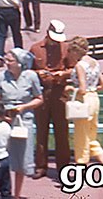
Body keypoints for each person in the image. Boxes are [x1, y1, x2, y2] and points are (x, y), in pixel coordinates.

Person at [0, 48, 43, 197]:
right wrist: (2, 115)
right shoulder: (1, 76)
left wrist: (24, 107)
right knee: (1, 157)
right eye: (6, 60)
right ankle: (3, 192)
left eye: (10, 60)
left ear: (20, 63)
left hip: (24, 119)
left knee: (21, 159)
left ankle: (17, 194)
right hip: (6, 119)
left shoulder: (31, 76)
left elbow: (39, 99)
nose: (7, 63)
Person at [28, 19, 72, 178]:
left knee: (62, 131)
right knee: (41, 130)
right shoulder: (35, 49)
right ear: (47, 33)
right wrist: (37, 74)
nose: (55, 42)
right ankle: (41, 165)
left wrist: (64, 74)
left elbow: (74, 68)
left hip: (59, 92)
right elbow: (28, 70)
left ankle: (63, 166)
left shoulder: (66, 48)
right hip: (42, 92)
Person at [66, 36, 103, 166]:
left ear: (76, 51)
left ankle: (81, 167)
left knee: (81, 137)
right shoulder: (95, 62)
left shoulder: (80, 65)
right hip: (94, 98)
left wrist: (71, 88)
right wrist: (93, 88)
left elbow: (82, 89)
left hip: (84, 101)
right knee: (90, 136)